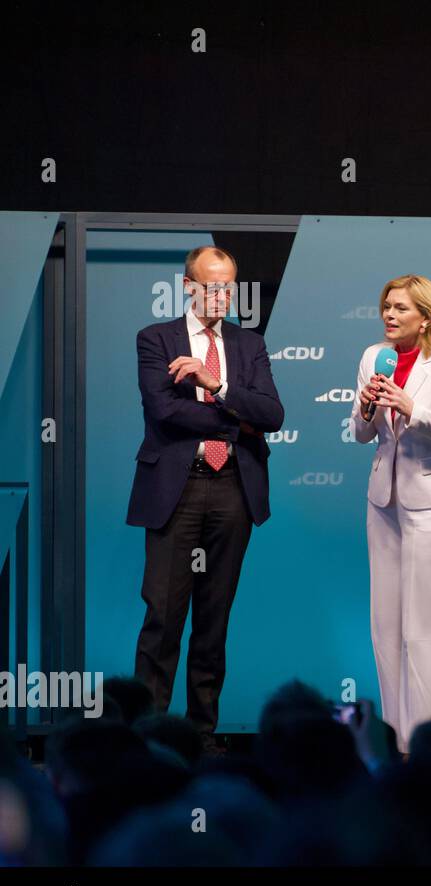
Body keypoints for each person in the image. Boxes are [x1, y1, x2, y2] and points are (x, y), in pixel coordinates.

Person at [128, 246, 283, 756]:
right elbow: (164, 412)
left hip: (233, 489)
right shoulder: (156, 339)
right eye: (211, 285)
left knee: (214, 619)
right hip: (179, 487)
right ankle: (149, 739)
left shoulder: (249, 344)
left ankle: (200, 734)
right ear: (189, 286)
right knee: (163, 616)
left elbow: (273, 414)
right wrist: (237, 419)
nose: (220, 295)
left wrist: (214, 385)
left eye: (228, 286)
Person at [352, 274, 431, 753]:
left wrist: (412, 408)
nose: (389, 314)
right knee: (386, 627)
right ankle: (393, 741)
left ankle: (427, 746)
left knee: (425, 629)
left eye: (401, 308)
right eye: (386, 305)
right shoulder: (372, 358)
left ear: (426, 317)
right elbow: (363, 436)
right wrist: (365, 410)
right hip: (383, 500)